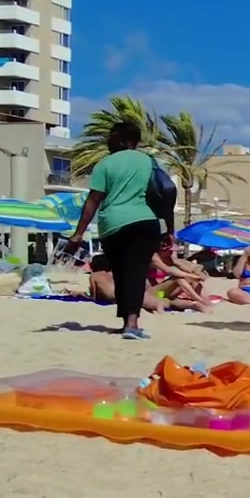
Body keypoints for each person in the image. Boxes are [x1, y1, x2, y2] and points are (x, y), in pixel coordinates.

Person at [61, 120, 171, 340]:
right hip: (145, 222)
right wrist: (168, 229)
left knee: (121, 274)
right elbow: (166, 191)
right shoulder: (150, 162)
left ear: (124, 140)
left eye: (112, 136)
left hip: (113, 225)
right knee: (136, 273)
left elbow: (94, 198)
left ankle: (127, 323)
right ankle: (132, 323)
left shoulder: (105, 164)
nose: (108, 140)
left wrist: (79, 232)